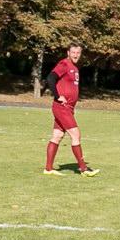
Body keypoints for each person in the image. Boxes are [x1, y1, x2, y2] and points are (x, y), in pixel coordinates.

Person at [44, 44, 96, 176]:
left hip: (68, 108)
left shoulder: (74, 67)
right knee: (76, 135)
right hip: (62, 107)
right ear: (68, 52)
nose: (76, 55)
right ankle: (83, 168)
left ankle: (48, 169)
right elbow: (50, 78)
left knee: (57, 136)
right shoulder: (65, 64)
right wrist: (57, 96)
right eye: (73, 52)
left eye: (78, 52)